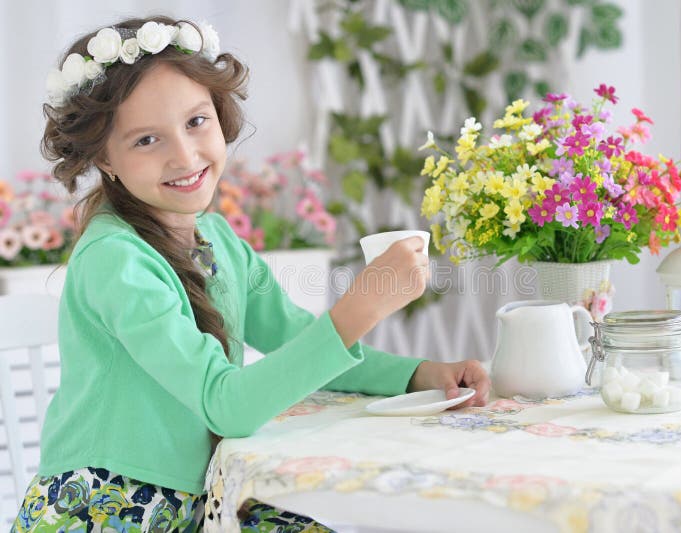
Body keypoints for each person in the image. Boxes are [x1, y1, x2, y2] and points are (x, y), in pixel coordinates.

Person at [12, 15, 491, 532]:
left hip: (203, 502)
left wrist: (417, 374)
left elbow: (303, 343)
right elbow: (226, 406)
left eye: (197, 122)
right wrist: (362, 307)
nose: (184, 155)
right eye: (147, 140)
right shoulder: (115, 260)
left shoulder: (217, 240)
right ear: (105, 158)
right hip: (101, 510)